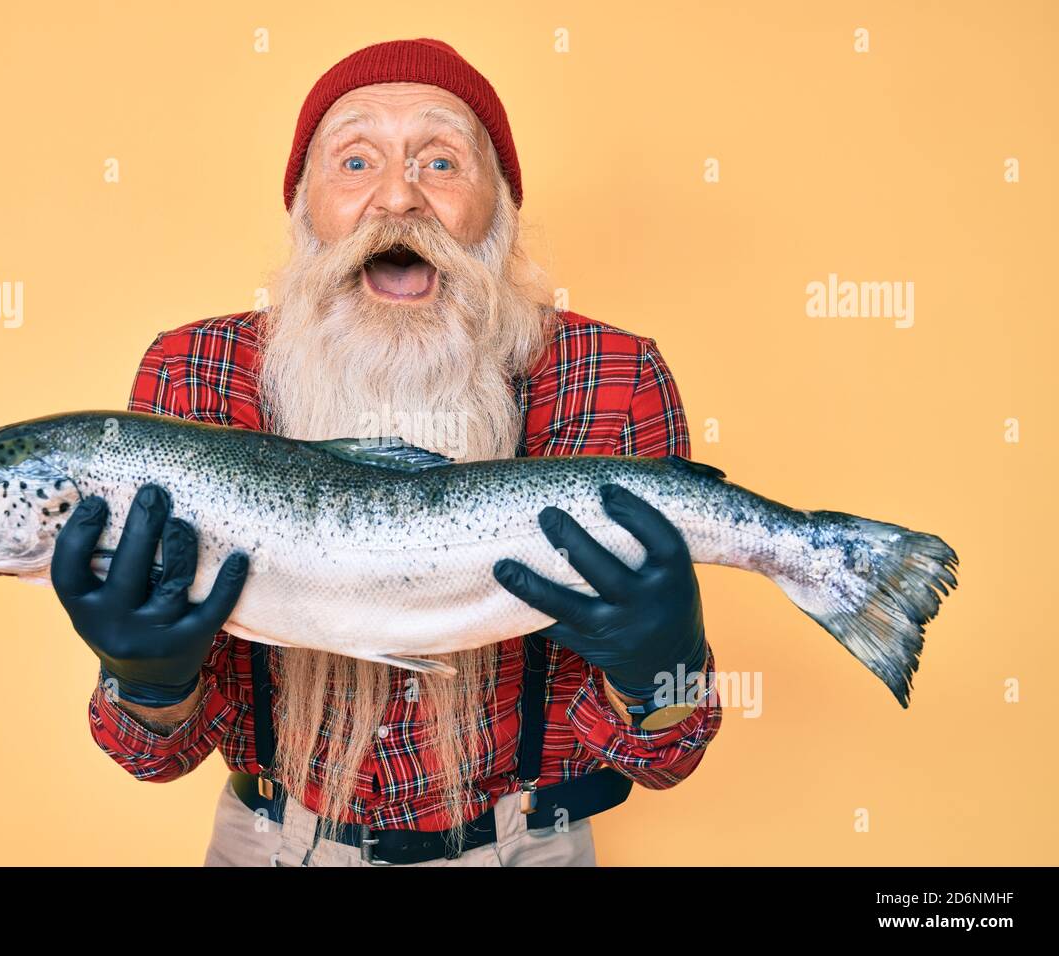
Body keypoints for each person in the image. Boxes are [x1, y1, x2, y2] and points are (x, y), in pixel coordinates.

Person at [51, 37, 722, 867]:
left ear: (500, 214)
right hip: (273, 844)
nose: (396, 197)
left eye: (440, 163)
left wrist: (663, 674)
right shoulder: (195, 372)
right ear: (304, 211)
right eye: (356, 161)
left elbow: (667, 754)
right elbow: (153, 756)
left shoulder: (611, 374)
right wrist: (147, 680)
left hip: (529, 848)